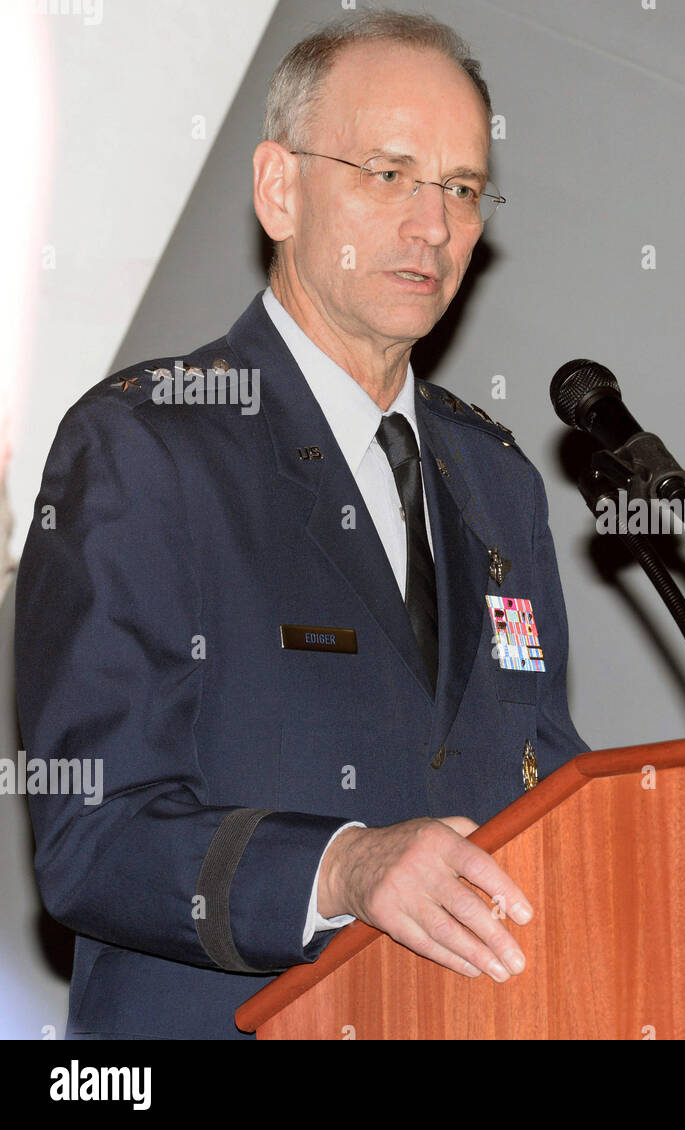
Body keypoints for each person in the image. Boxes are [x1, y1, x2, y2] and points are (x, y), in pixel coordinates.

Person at [16, 11, 586, 1040]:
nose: (434, 225)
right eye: (388, 174)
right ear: (280, 189)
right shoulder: (147, 448)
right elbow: (92, 835)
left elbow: (544, 794)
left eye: (461, 189)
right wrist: (344, 867)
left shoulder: (497, 481)